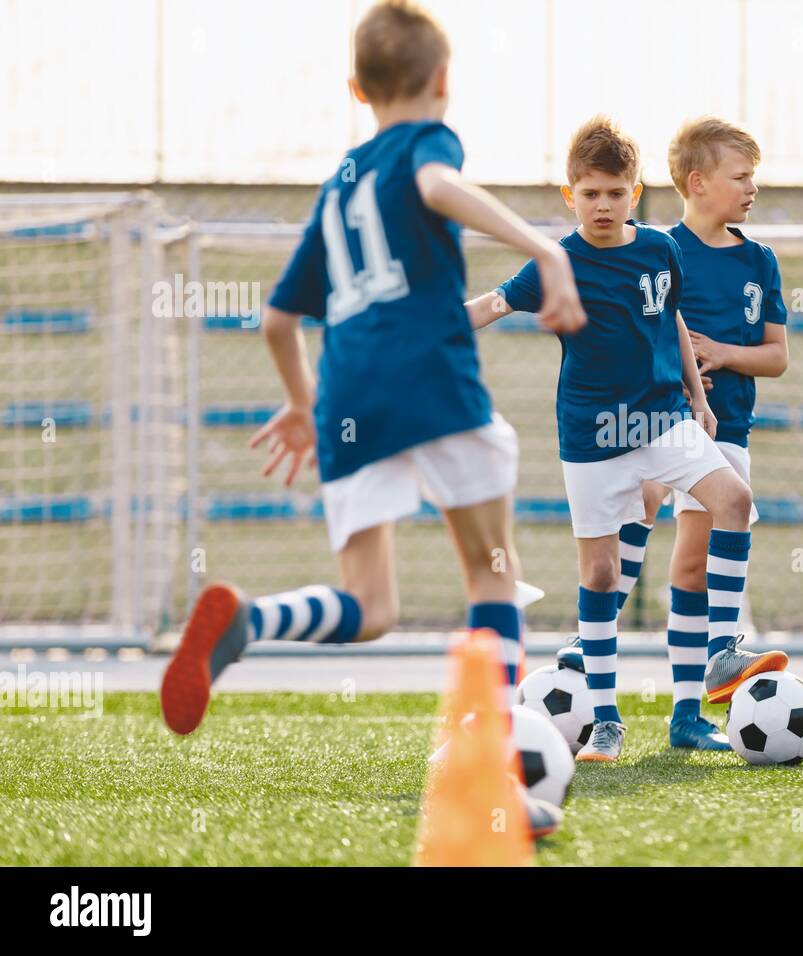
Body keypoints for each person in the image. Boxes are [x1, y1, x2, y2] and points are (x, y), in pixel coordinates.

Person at [159, 0, 585, 835]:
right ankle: (492, 785)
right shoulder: (428, 143)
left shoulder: (336, 186)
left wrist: (302, 403)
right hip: (430, 378)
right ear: (442, 81)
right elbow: (435, 185)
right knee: (493, 575)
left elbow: (278, 320)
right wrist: (546, 248)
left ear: (356, 88)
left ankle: (251, 619)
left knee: (370, 606)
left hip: (349, 397)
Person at [467, 116, 787, 763]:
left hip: (665, 419)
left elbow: (671, 317)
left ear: (634, 193)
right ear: (570, 197)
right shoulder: (554, 262)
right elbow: (492, 306)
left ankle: (724, 648)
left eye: (616, 192)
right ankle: (607, 719)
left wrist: (697, 399)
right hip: (591, 437)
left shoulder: (659, 251)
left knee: (733, 500)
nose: (604, 205)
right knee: (602, 571)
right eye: (591, 194)